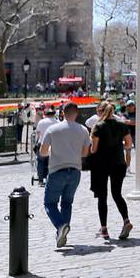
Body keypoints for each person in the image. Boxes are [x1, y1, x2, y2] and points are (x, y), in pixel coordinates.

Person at [39, 102, 91, 247]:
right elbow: (85, 153)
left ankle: (60, 225)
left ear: (62, 113)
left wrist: (51, 152)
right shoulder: (83, 130)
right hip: (75, 171)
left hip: (57, 170)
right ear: (77, 113)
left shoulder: (52, 129)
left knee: (50, 203)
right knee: (67, 203)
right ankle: (62, 234)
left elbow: (43, 152)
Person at [88, 101, 134, 241]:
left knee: (102, 197)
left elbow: (94, 149)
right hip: (118, 163)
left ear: (101, 112)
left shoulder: (98, 127)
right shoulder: (122, 125)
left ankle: (104, 228)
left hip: (102, 164)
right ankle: (126, 220)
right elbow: (129, 144)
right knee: (117, 194)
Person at [34, 106, 57, 186]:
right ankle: (49, 178)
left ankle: (40, 180)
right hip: (52, 144)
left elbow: (38, 133)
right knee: (50, 162)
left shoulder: (41, 122)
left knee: (40, 162)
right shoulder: (56, 122)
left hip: (42, 143)